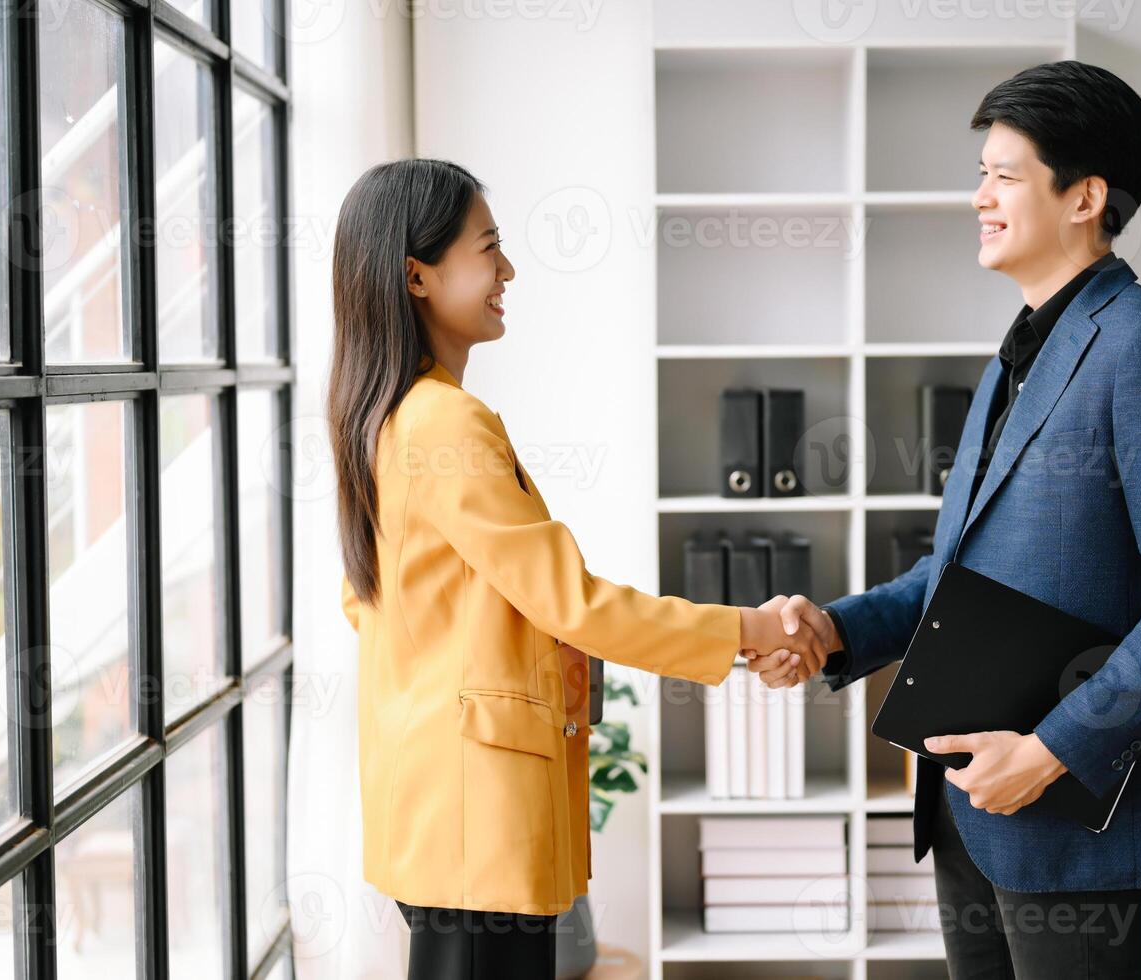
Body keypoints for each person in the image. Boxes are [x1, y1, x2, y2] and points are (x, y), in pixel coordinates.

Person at [760, 62, 1141, 978]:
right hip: (965, 807)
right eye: (981, 173)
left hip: (1064, 814)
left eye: (1003, 174)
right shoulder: (1017, 351)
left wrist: (1054, 750)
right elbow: (955, 576)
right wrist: (833, 634)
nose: (978, 197)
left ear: (1084, 197)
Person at [327, 159, 829, 980]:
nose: (508, 271)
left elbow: (372, 603)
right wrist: (753, 629)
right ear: (417, 275)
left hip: (437, 802)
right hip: (474, 810)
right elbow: (574, 603)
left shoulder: (386, 414)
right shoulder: (444, 422)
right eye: (488, 249)